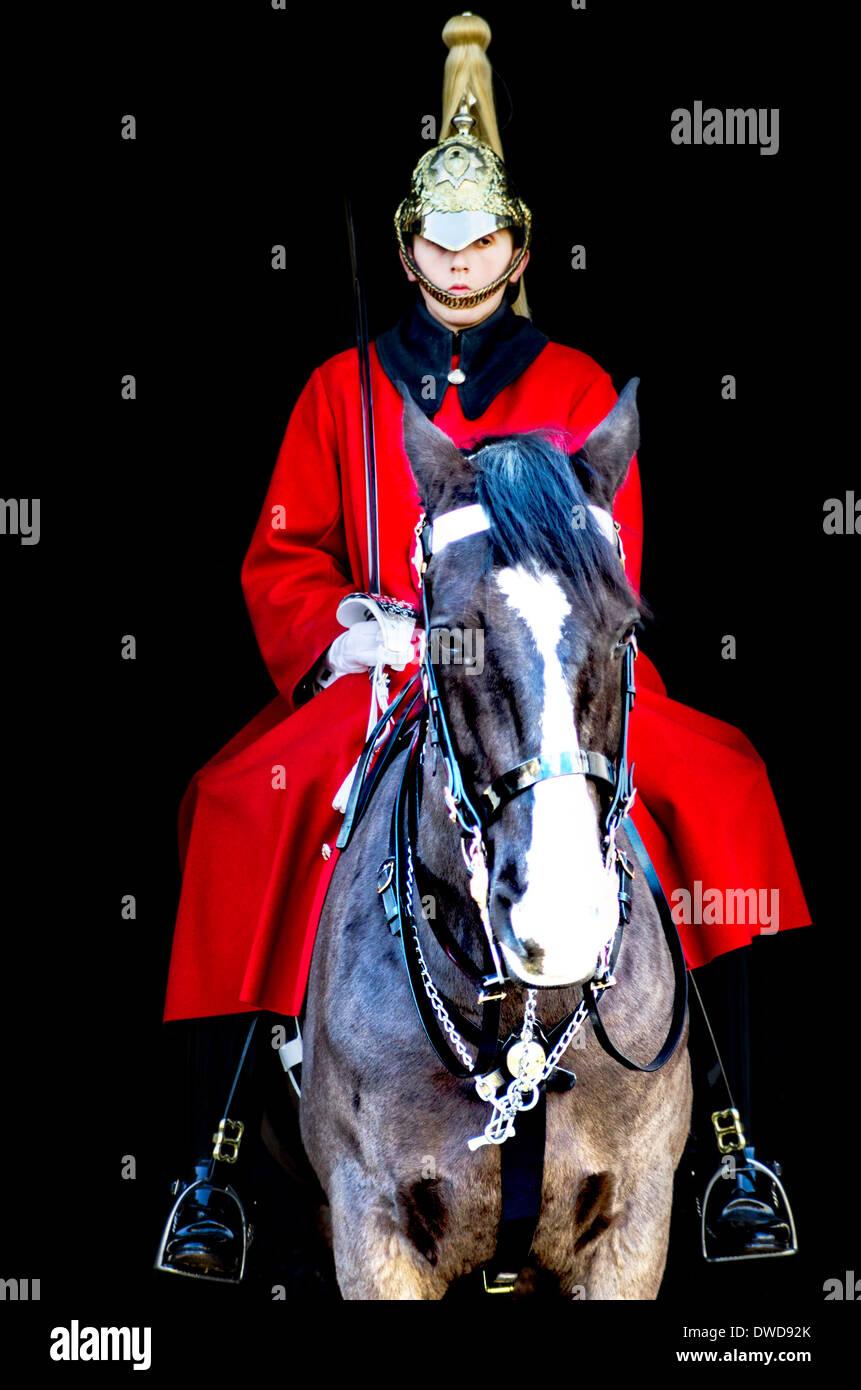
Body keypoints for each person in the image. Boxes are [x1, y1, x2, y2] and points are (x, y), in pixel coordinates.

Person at [156, 12, 809, 1281]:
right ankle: (216, 1161)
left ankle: (735, 1142)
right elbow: (283, 554)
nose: (461, 263)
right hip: (390, 671)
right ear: (410, 249)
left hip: (550, 675)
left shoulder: (573, 382)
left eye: (485, 240)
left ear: (519, 247)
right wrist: (341, 626)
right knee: (240, 801)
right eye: (439, 242)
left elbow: (606, 570)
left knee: (722, 783)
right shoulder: (337, 389)